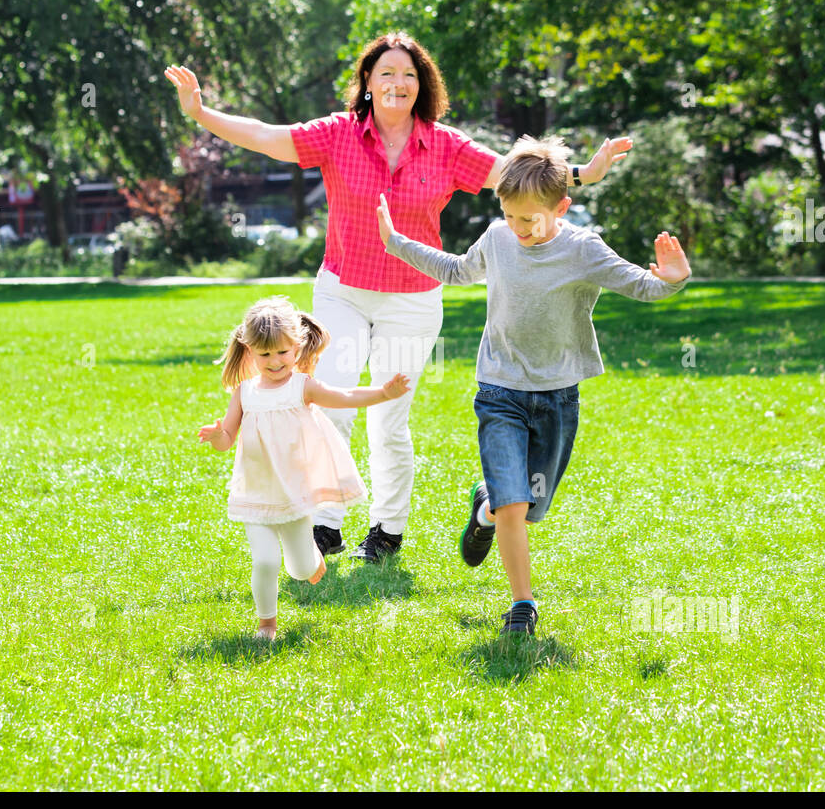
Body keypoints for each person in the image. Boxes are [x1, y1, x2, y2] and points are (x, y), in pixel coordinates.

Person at [166, 32, 632, 565]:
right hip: (343, 288)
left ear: (421, 85)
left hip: (413, 298)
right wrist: (201, 113)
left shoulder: (445, 144)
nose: (397, 83)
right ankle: (326, 525)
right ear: (367, 82)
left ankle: (387, 530)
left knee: (388, 419)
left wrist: (584, 174)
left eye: (408, 75)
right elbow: (269, 137)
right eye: (385, 73)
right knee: (330, 402)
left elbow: (521, 175)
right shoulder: (337, 134)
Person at [375, 136, 691, 635]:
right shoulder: (498, 239)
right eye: (512, 217)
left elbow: (643, 285)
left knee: (528, 506)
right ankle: (522, 604)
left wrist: (672, 279)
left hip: (557, 398)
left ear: (562, 206)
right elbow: (456, 270)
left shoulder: (583, 250)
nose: (519, 229)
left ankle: (486, 507)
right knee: (516, 505)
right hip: (498, 391)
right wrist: (396, 241)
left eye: (531, 220)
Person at [197, 296, 410, 639]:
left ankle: (313, 560)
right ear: (249, 351)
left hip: (294, 495)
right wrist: (217, 435)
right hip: (255, 492)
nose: (275, 361)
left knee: (300, 570)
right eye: (264, 354)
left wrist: (383, 393)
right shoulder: (244, 392)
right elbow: (228, 440)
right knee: (265, 561)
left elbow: (346, 397)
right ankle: (267, 624)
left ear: (296, 348)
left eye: (282, 352)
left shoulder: (303, 386)